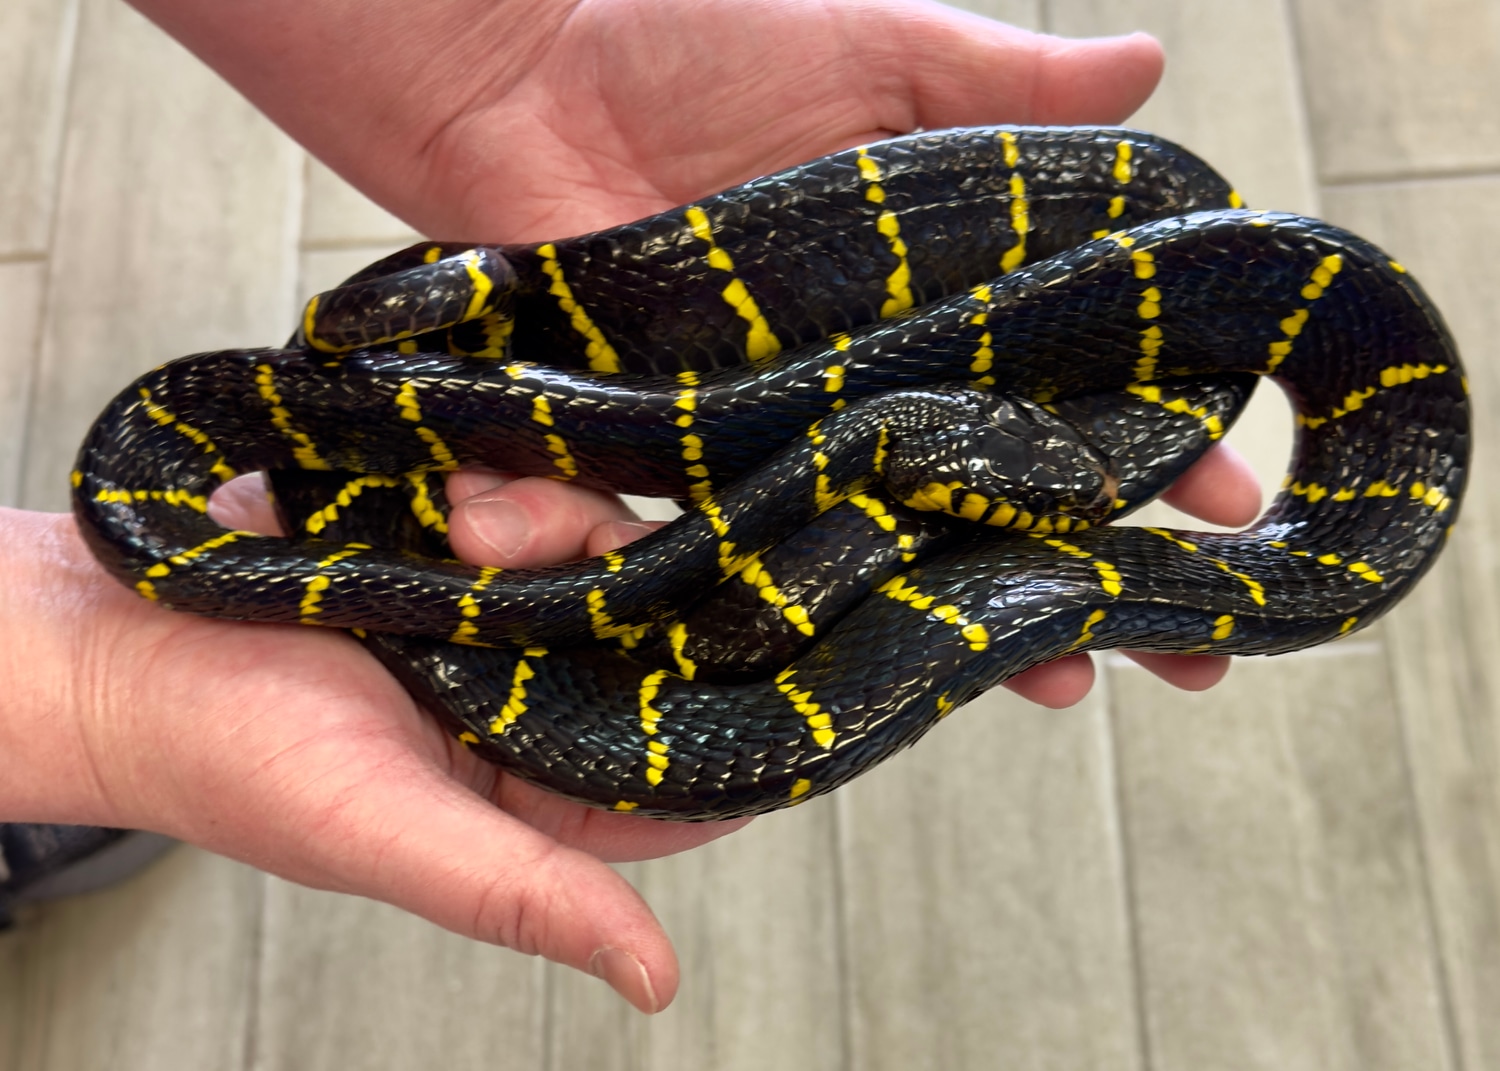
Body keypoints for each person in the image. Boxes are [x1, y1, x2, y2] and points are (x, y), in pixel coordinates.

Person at [0, 0, 1260, 1012]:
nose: (1074, 495)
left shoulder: (875, 452)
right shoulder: (850, 452)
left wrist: (510, 53)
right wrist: (80, 700)